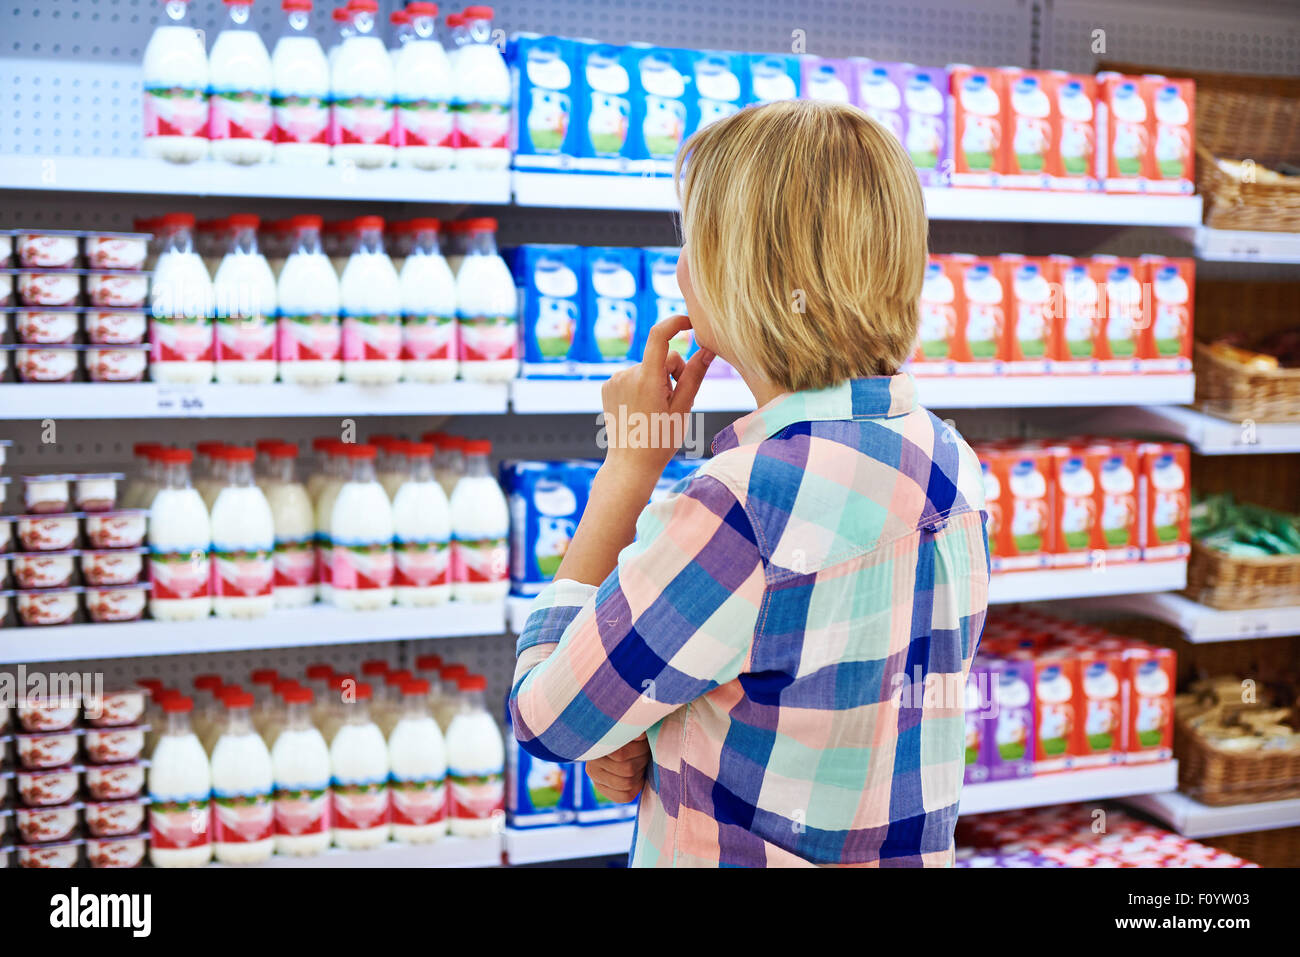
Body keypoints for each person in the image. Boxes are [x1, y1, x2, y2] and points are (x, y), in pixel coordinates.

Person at [508, 99, 990, 867]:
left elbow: (546, 717)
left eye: (690, 241)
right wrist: (650, 728)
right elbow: (800, 694)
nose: (678, 267)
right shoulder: (954, 465)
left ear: (738, 275)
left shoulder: (741, 505)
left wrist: (628, 467)